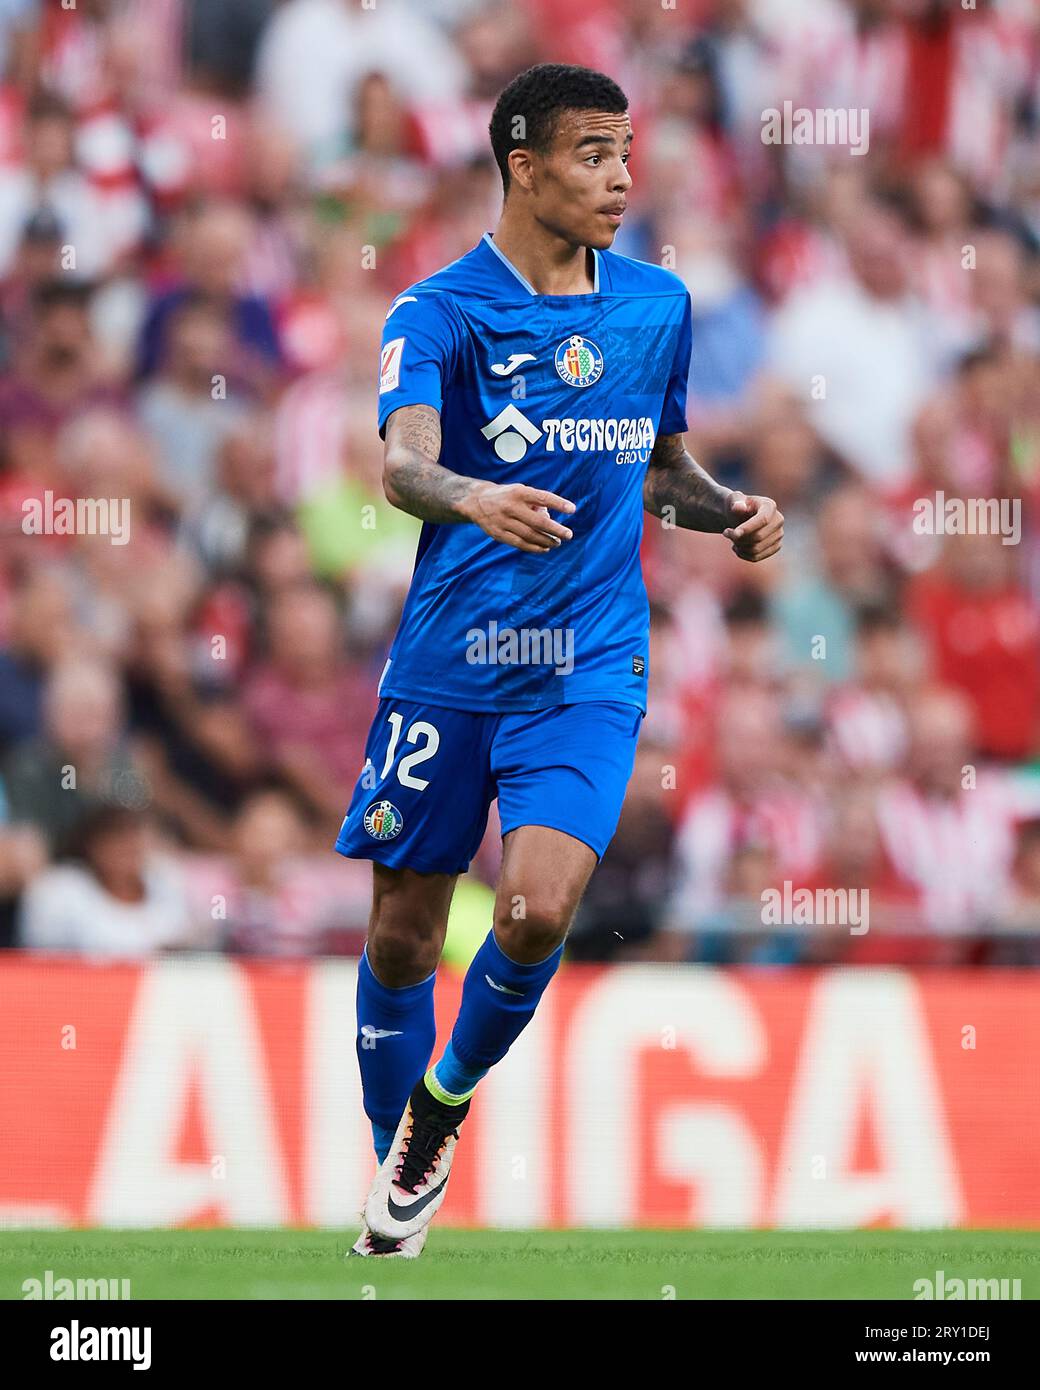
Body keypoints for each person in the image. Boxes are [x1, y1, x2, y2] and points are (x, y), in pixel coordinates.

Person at [333, 63, 783, 1258]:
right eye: (592, 154)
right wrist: (477, 495)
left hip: (585, 661)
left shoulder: (655, 307)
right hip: (450, 659)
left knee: (531, 911)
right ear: (522, 166)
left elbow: (659, 471)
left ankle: (435, 1115)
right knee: (402, 939)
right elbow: (403, 467)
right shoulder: (435, 312)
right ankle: (392, 1181)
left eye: (626, 152)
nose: (621, 176)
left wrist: (727, 507)